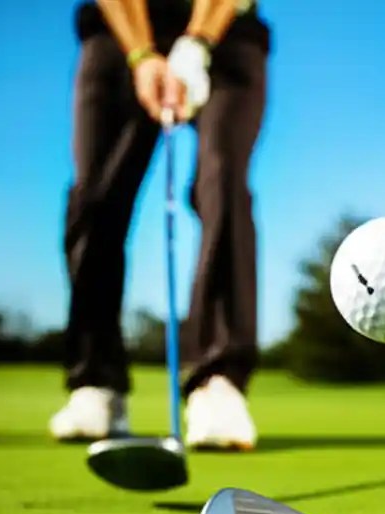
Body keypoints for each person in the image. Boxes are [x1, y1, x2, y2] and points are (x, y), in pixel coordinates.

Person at [49, 0, 271, 450]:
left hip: (227, 31)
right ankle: (97, 381)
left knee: (222, 182)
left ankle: (218, 384)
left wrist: (198, 43)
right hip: (119, 29)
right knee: (96, 195)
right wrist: (140, 54)